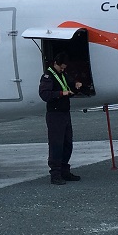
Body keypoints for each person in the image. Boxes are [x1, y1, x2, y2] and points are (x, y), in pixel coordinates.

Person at [39, 53, 83, 185]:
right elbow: (44, 94)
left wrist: (76, 84)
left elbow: (69, 81)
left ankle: (65, 170)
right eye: (62, 68)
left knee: (67, 143)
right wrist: (60, 93)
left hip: (64, 113)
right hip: (55, 114)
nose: (63, 70)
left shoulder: (62, 74)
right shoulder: (47, 76)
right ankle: (55, 174)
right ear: (56, 63)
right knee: (56, 144)